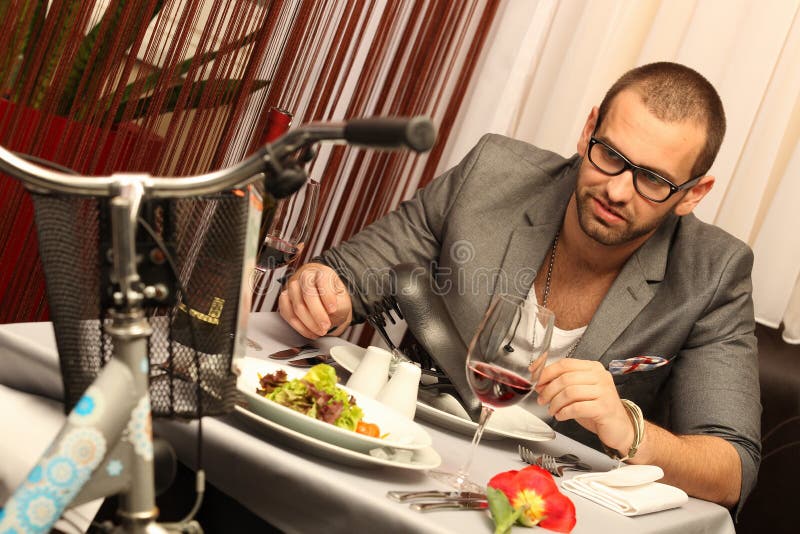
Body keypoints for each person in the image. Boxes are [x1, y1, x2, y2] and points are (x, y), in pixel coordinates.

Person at [278, 62, 760, 513]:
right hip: (401, 457)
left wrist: (630, 430)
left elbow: (734, 468)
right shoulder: (490, 174)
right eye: (610, 155)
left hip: (540, 507)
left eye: (653, 180)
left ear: (693, 194)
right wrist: (321, 292)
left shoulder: (713, 272)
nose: (616, 190)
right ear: (588, 129)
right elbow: (347, 274)